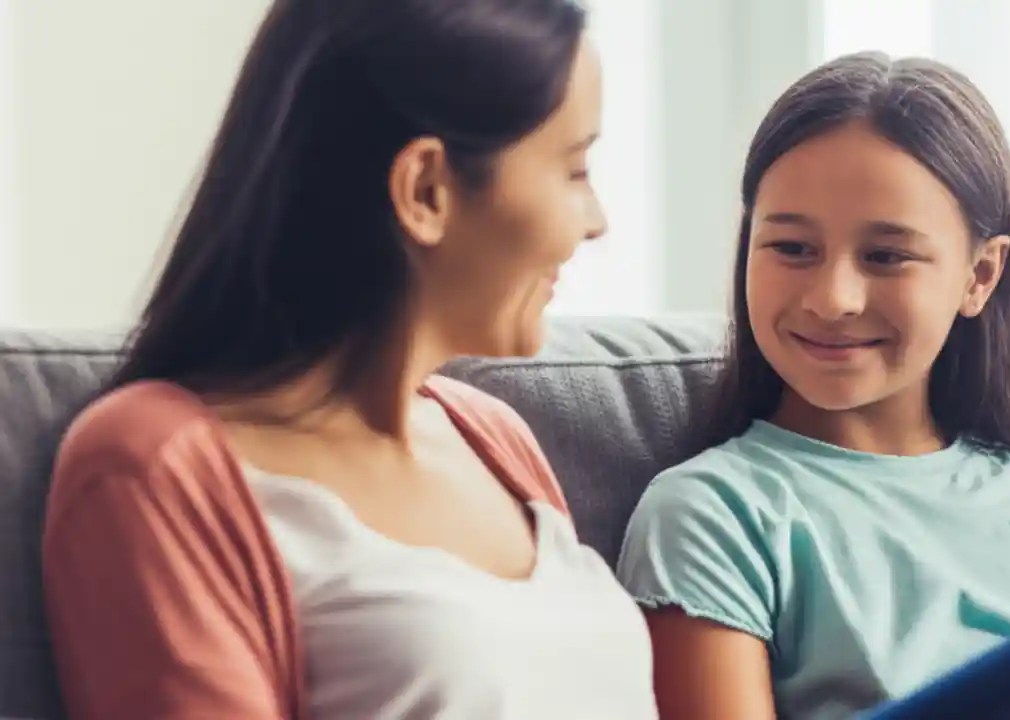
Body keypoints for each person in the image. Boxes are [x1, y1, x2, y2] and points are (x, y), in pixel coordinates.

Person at [42, 1, 658, 718]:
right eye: (575, 169)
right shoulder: (150, 464)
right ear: (426, 190)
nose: (596, 222)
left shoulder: (492, 437)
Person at [615, 52, 1010, 719]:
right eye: (793, 248)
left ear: (980, 275)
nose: (832, 298)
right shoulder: (713, 512)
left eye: (885, 256)